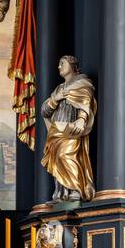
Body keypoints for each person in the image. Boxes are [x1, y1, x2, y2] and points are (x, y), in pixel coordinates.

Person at [40, 54, 96, 201]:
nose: (59, 67)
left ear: (72, 65)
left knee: (66, 156)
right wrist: (55, 99)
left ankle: (75, 189)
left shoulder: (82, 84)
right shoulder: (59, 89)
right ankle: (62, 193)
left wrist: (81, 119)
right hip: (56, 130)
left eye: (62, 63)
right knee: (56, 160)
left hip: (71, 129)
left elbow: (85, 101)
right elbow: (44, 111)